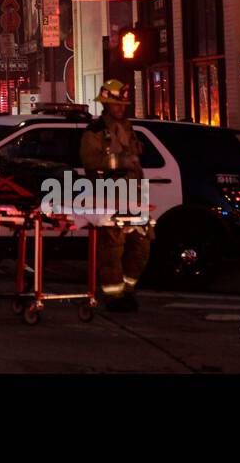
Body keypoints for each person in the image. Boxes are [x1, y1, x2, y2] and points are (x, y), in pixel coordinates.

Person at [80, 79, 152, 313]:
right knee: (112, 248)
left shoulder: (129, 129)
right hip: (108, 197)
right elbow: (90, 161)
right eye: (115, 104)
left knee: (141, 245)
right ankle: (114, 296)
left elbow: (137, 162)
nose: (120, 108)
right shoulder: (95, 131)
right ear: (106, 105)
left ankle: (128, 289)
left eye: (122, 104)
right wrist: (120, 161)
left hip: (133, 196)